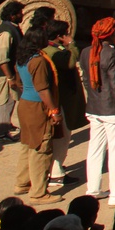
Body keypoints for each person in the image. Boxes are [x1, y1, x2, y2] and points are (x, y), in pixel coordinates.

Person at [12, 21, 64, 204]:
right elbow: (43, 89)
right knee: (42, 148)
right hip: (37, 107)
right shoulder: (39, 61)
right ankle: (39, 192)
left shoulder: (22, 58)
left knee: (27, 144)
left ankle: (22, 182)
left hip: (24, 104)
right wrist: (54, 110)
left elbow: (18, 83)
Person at [81, 16, 115, 206]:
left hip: (94, 106)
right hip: (112, 108)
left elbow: (86, 80)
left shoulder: (86, 52)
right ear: (112, 33)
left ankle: (93, 188)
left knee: (95, 148)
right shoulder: (112, 54)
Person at [43, 19, 84, 194]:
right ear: (60, 36)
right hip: (61, 101)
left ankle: (55, 168)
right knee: (62, 137)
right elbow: (70, 61)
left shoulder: (48, 48)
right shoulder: (54, 52)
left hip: (60, 99)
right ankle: (56, 173)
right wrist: (72, 45)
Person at [0, 0, 25, 143]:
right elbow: (2, 59)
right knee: (6, 101)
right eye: (19, 13)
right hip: (6, 74)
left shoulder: (13, 28)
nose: (22, 15)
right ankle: (2, 132)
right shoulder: (6, 32)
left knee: (11, 100)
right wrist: (10, 77)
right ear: (13, 16)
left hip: (12, 72)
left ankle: (7, 125)